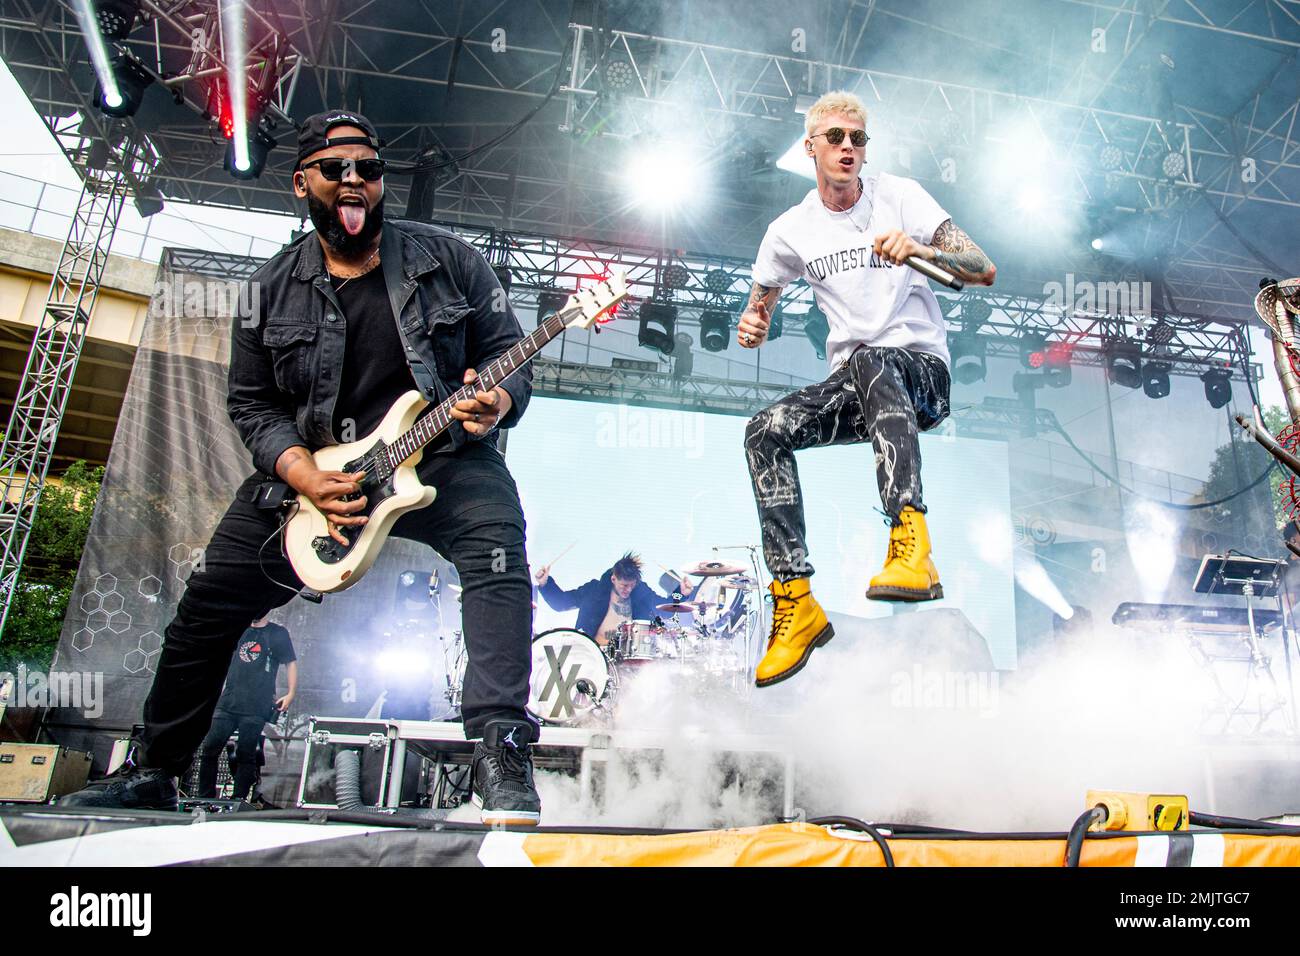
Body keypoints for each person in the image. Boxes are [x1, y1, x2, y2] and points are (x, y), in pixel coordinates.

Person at [62, 110, 542, 825]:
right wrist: (302, 473)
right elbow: (251, 403)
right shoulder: (268, 289)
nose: (355, 180)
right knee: (207, 606)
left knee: (498, 552)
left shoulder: (451, 261)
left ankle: (501, 754)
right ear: (301, 183)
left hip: (442, 454)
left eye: (369, 169)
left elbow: (509, 350)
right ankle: (157, 768)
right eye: (336, 168)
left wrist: (498, 400)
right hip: (313, 478)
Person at [737, 90, 997, 688]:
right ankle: (795, 598)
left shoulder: (899, 197)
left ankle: (911, 540)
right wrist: (755, 321)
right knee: (763, 431)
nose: (848, 147)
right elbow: (762, 298)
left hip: (921, 375)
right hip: (859, 384)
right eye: (835, 138)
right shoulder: (789, 230)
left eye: (857, 139)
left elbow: (983, 268)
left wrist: (922, 248)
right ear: (811, 147)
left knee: (875, 355)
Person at [196, 615, 296, 801]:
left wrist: (291, 693)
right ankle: (204, 798)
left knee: (246, 752)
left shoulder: (277, 633)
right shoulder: (237, 627)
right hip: (229, 701)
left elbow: (290, 662)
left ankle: (239, 799)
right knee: (210, 748)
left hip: (257, 704)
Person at [535, 553, 695, 646]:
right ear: (613, 579)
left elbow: (664, 609)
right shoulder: (593, 590)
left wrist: (681, 593)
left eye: (631, 585)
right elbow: (560, 603)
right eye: (624, 585)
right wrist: (545, 583)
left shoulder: (642, 592)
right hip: (594, 656)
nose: (628, 589)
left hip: (629, 659)